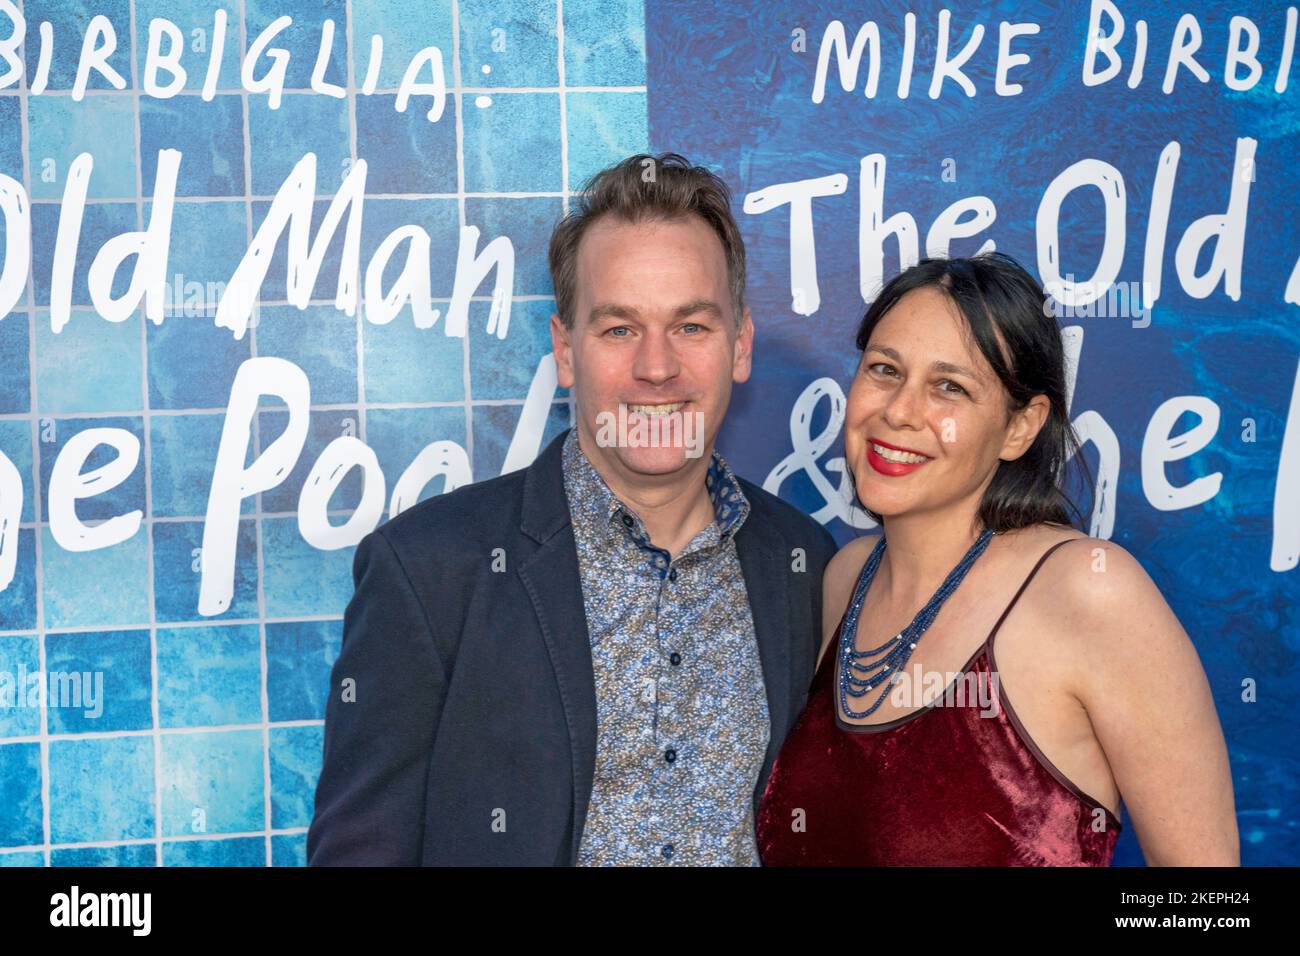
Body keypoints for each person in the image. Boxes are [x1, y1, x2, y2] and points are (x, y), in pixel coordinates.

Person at [307, 153, 836, 866]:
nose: (656, 368)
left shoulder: (804, 563)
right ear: (565, 351)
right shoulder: (429, 570)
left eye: (691, 327)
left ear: (739, 345)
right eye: (619, 328)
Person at [756, 252, 1239, 866]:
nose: (899, 411)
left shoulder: (1090, 592)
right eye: (884, 370)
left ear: (1021, 427)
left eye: (949, 387)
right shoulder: (845, 578)